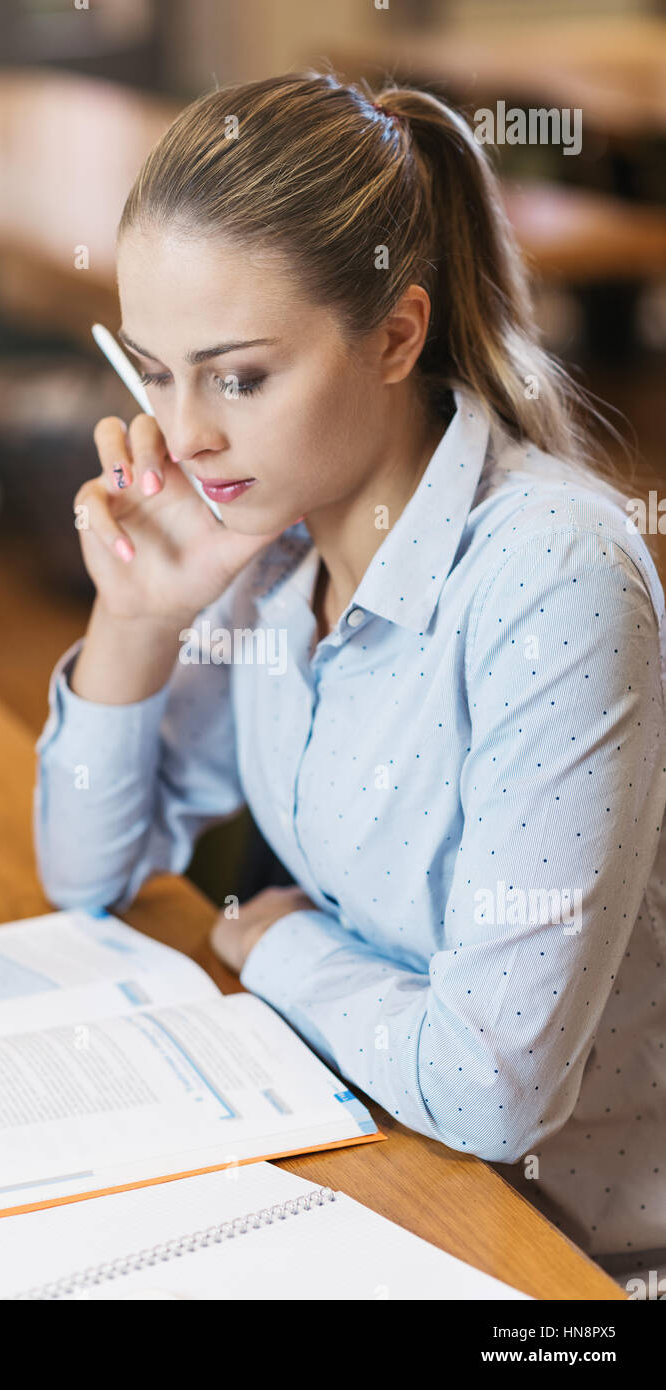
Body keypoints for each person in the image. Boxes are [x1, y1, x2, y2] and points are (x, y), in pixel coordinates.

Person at [33, 71, 666, 1296]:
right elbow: (88, 874)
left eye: (240, 376)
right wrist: (138, 617)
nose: (184, 434)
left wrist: (274, 942)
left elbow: (493, 1094)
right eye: (153, 371)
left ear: (396, 333)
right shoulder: (277, 542)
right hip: (376, 1152)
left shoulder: (552, 579)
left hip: (570, 1254)